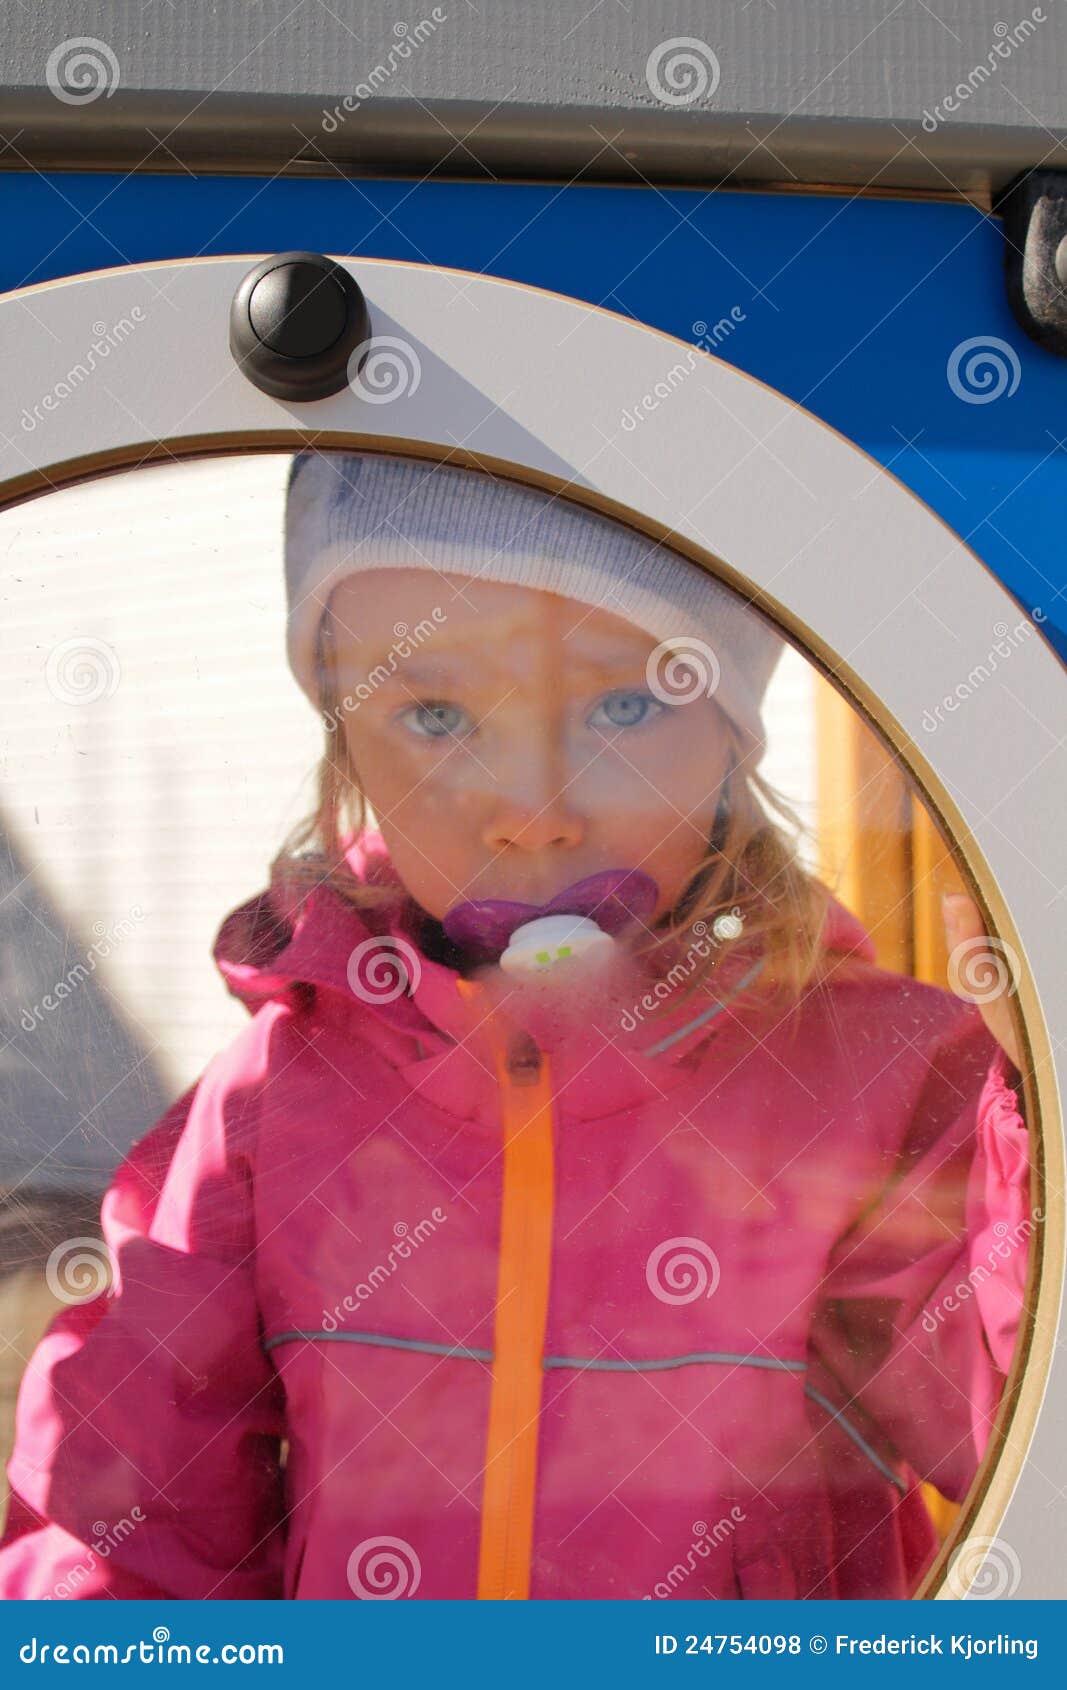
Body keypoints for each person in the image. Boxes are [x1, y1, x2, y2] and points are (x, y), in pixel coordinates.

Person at [0, 451, 1031, 1601]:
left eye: (624, 705)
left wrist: (1033, 1141)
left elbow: (1016, 1398)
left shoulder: (873, 1084)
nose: (532, 811)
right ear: (345, 749)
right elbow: (124, 1526)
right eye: (434, 714)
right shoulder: (272, 1103)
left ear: (734, 747)